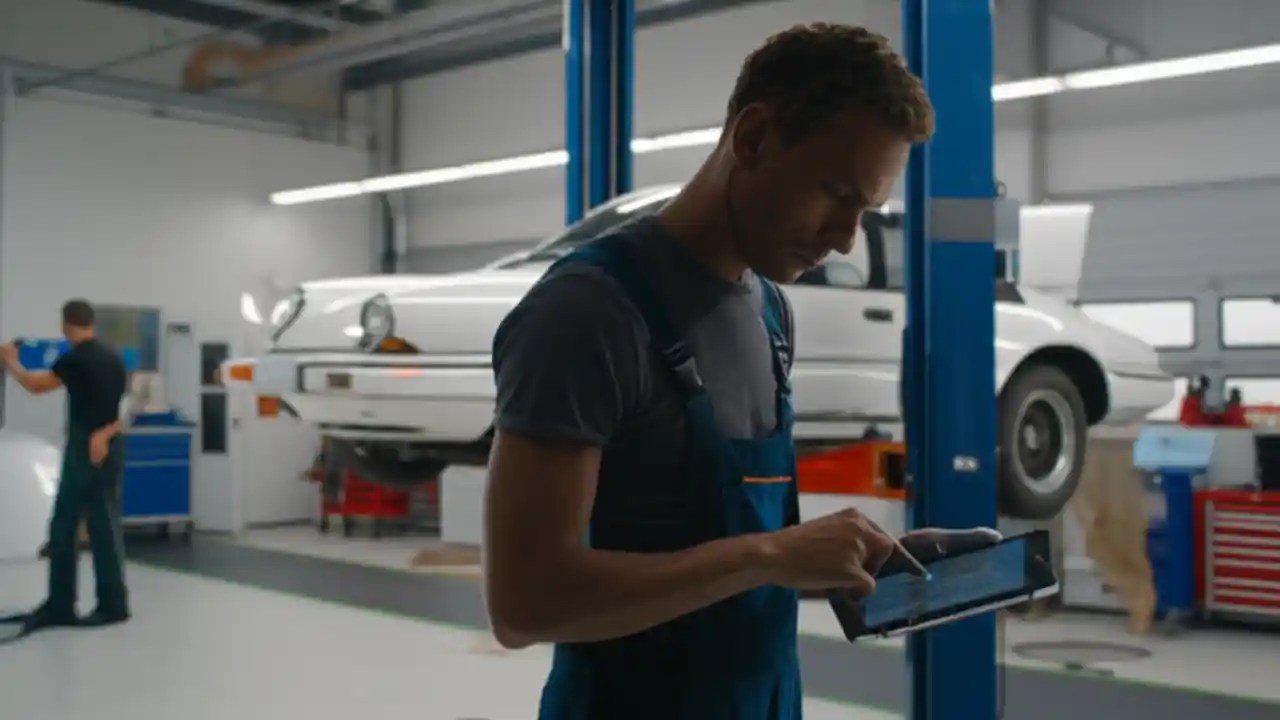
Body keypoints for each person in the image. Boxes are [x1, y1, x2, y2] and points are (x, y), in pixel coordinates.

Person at [483, 23, 1000, 720]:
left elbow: (720, 556)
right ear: (752, 138)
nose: (845, 237)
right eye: (834, 192)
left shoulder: (771, 312)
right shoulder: (590, 314)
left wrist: (844, 563)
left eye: (866, 209)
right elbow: (523, 603)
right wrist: (768, 555)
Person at [1, 299, 131, 632]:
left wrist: (11, 362)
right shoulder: (114, 358)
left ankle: (66, 605)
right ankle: (109, 604)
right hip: (109, 447)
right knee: (103, 526)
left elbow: (35, 386)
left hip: (84, 450)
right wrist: (106, 434)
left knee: (64, 526)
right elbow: (125, 410)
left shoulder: (76, 358)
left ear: (66, 324)